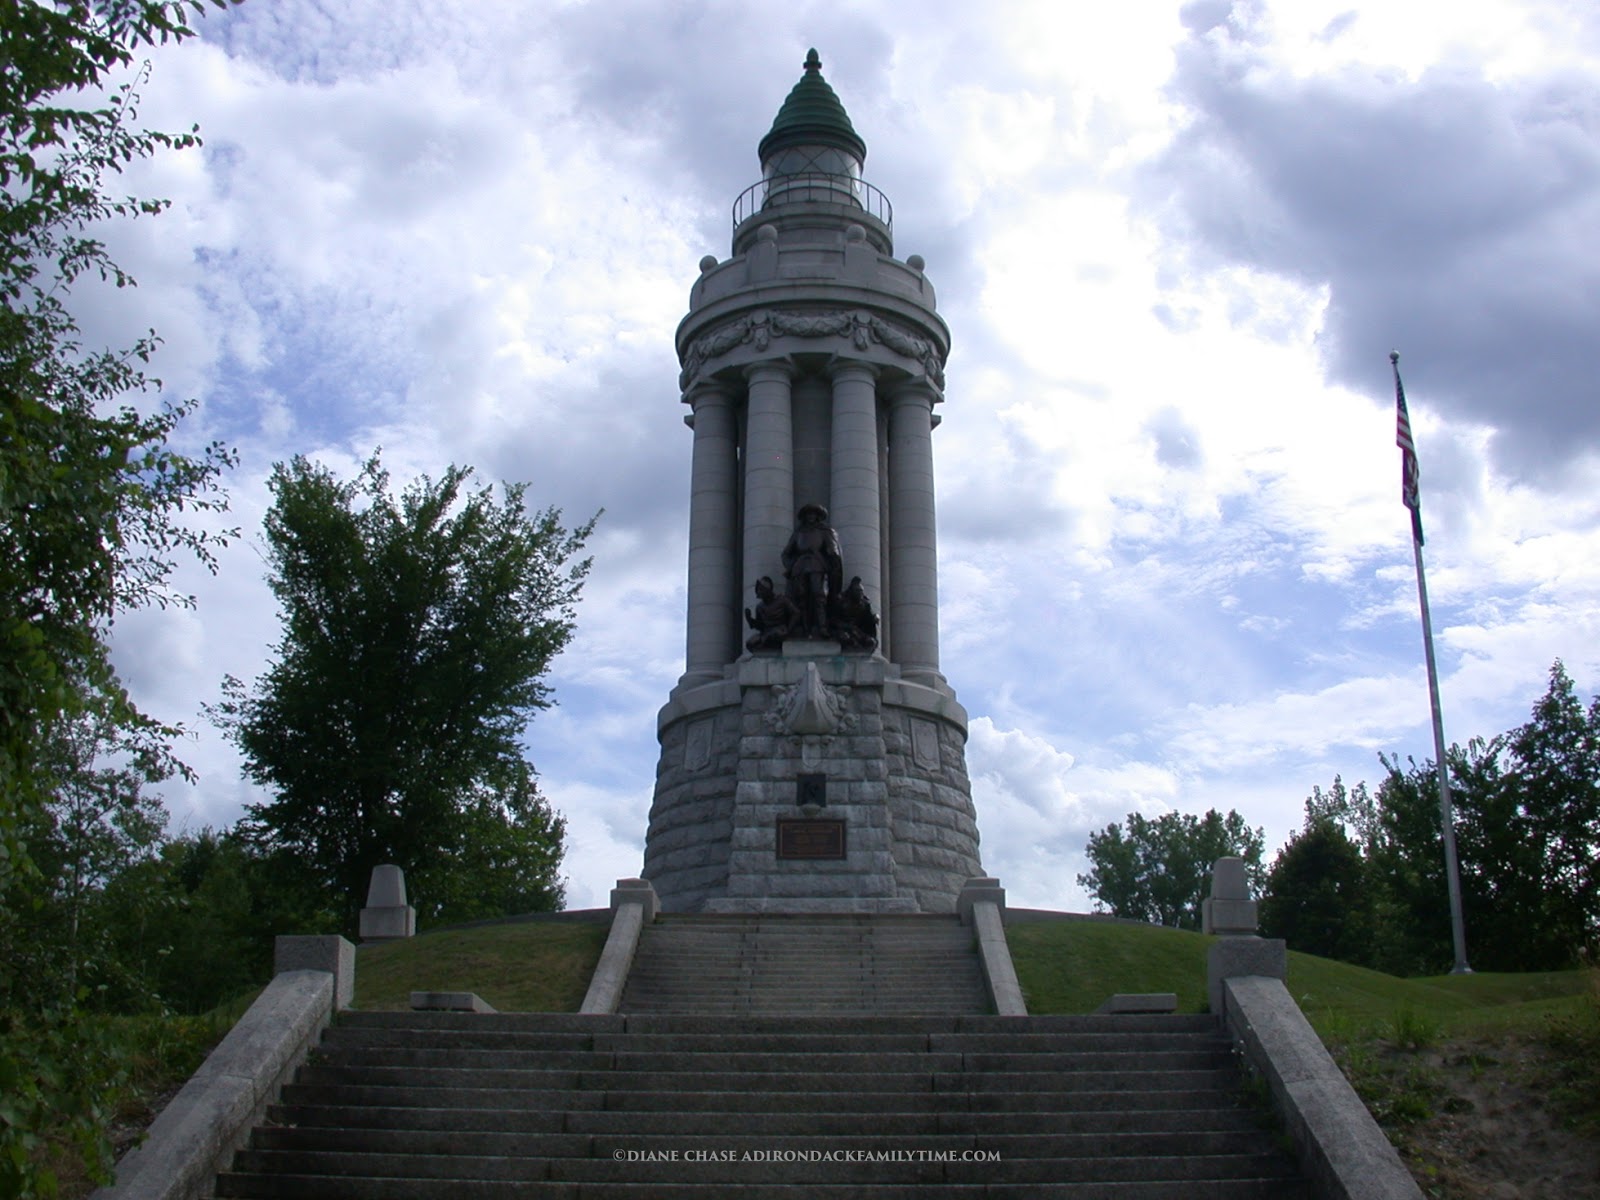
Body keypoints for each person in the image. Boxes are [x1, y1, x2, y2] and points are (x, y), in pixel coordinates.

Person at [781, 503, 842, 639]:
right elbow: (786, 553)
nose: (811, 517)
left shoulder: (824, 531)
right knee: (801, 597)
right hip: (800, 568)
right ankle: (804, 628)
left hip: (817, 565)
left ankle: (822, 627)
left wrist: (832, 558)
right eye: (808, 514)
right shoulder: (798, 533)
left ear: (818, 516)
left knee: (818, 595)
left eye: (813, 514)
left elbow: (832, 551)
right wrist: (790, 566)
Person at [744, 575, 799, 651]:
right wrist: (749, 619)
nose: (760, 594)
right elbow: (760, 625)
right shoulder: (760, 607)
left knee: (774, 636)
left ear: (767, 591)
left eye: (761, 590)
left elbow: (796, 613)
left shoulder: (782, 600)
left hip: (780, 630)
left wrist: (789, 630)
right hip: (766, 632)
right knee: (750, 643)